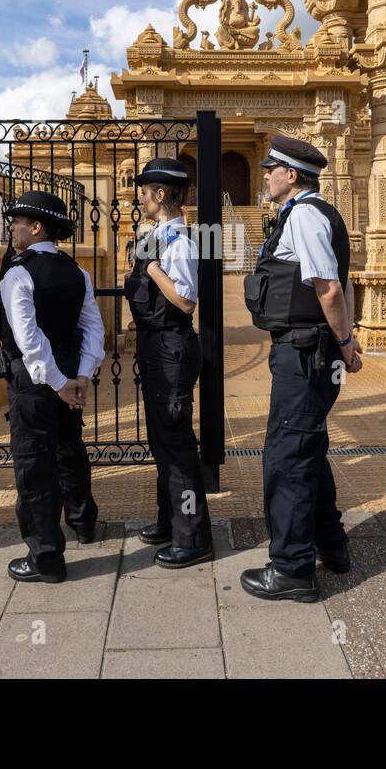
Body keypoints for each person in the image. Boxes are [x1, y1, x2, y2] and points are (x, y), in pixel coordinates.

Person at [240, 134, 361, 602]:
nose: (265, 176)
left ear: (291, 175)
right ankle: (332, 547)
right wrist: (345, 343)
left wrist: (346, 344)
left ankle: (291, 569)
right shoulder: (311, 214)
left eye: (271, 169)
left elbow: (329, 289)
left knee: (287, 455)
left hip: (305, 354)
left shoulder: (306, 215)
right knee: (307, 446)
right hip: (312, 351)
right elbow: (342, 284)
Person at [0, 190, 105, 584]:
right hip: (71, 375)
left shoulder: (18, 273)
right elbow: (93, 329)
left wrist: (57, 383)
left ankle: (46, 558)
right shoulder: (78, 272)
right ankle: (83, 522)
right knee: (70, 448)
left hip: (38, 382)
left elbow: (28, 338)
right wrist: (83, 375)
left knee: (35, 464)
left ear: (35, 227)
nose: (12, 231)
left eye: (16, 224)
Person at [123, 158, 212, 568]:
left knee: (176, 445)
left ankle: (192, 538)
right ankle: (169, 521)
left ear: (159, 195)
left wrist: (157, 271)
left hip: (172, 347)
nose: (139, 197)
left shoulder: (180, 241)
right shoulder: (154, 234)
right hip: (153, 345)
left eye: (144, 191)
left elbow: (186, 300)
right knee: (162, 441)